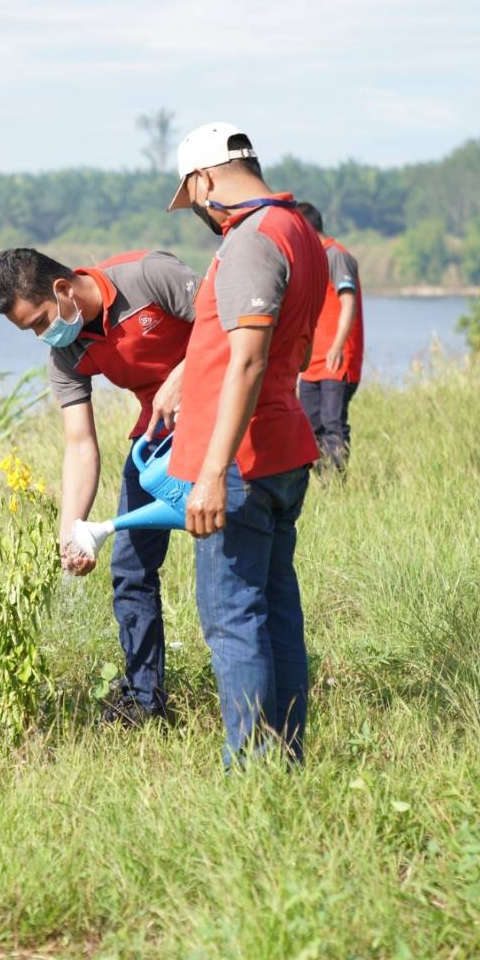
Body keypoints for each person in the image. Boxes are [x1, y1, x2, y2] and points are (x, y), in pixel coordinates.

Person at [165, 121, 328, 769]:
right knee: (276, 611)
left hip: (242, 463)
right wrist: (184, 373)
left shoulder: (252, 240)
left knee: (234, 621)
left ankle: (254, 771)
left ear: (205, 179)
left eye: (194, 198)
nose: (201, 212)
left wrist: (210, 473)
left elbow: (250, 362)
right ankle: (285, 760)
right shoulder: (299, 230)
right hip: (283, 449)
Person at [0, 246, 198, 723]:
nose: (43, 335)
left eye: (40, 321)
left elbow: (228, 325)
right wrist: (70, 532)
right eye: (31, 331)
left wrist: (185, 375)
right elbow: (80, 445)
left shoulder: (149, 276)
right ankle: (146, 702)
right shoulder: (66, 350)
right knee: (130, 570)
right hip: (157, 442)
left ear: (61, 289)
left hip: (222, 422)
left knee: (221, 561)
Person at [296, 202, 364, 469]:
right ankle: (320, 480)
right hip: (313, 363)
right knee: (309, 426)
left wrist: (337, 346)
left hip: (337, 361)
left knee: (332, 424)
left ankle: (336, 483)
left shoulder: (336, 256)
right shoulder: (313, 258)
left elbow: (348, 303)